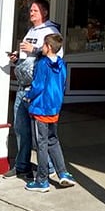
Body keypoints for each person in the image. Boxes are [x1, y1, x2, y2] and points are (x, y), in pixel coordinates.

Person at [3, 0, 60, 180]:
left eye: (35, 10)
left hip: (36, 91)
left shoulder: (51, 31)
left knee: (40, 134)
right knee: (21, 129)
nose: (31, 13)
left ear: (44, 12)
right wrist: (17, 56)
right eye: (31, 10)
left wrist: (34, 48)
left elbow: (55, 56)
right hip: (22, 88)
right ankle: (22, 166)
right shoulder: (31, 31)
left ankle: (49, 168)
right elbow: (27, 54)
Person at [24, 32, 75, 192]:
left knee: (41, 143)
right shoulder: (61, 64)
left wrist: (28, 96)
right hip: (54, 107)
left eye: (44, 45)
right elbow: (63, 84)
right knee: (53, 140)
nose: (42, 48)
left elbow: (38, 85)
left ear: (49, 47)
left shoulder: (42, 64)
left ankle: (42, 179)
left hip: (41, 107)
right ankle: (63, 173)